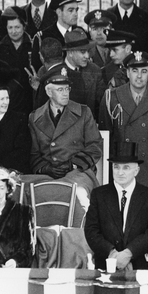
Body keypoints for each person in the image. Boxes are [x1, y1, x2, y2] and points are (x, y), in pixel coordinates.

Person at [28, 66, 103, 213]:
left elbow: (95, 146)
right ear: (49, 92)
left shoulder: (83, 112)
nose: (65, 94)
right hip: (48, 175)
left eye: (67, 89)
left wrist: (73, 165)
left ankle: (74, 235)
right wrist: (46, 168)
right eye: (60, 90)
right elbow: (34, 154)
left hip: (79, 172)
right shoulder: (35, 117)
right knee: (34, 195)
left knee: (73, 194)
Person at [100, 51, 148, 194]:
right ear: (127, 73)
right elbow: (107, 136)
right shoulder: (111, 97)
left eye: (144, 71)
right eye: (134, 71)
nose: (139, 76)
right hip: (122, 169)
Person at [84, 142, 148, 271]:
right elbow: (91, 230)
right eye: (116, 167)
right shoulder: (99, 194)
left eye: (126, 168)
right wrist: (112, 253)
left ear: (136, 170)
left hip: (139, 264)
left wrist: (128, 253)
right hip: (106, 263)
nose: (120, 172)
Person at [0, 6, 35, 109]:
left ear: (24, 26)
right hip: (5, 102)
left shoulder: (34, 47)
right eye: (10, 28)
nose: (13, 31)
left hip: (28, 101)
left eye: (17, 27)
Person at [31, 0, 85, 66]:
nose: (75, 14)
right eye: (70, 10)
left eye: (76, 10)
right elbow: (38, 70)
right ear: (59, 12)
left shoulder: (81, 33)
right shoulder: (43, 37)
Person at [61, 30, 105, 119]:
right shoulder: (56, 71)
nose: (87, 56)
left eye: (88, 51)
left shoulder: (94, 70)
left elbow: (102, 101)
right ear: (70, 53)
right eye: (82, 52)